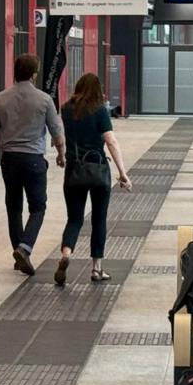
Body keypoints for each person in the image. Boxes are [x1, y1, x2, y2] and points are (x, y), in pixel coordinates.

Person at [0, 55, 65, 276]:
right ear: (34, 73)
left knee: (13, 207)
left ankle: (18, 252)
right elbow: (57, 132)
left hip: (10, 160)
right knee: (38, 207)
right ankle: (24, 248)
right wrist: (61, 154)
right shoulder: (44, 100)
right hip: (34, 159)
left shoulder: (0, 99)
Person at [53, 74, 132, 286]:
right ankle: (97, 269)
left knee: (75, 218)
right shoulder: (100, 111)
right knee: (99, 219)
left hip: (74, 170)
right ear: (97, 90)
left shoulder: (66, 109)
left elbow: (61, 135)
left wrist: (61, 155)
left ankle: (66, 254)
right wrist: (122, 173)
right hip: (97, 170)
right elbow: (111, 141)